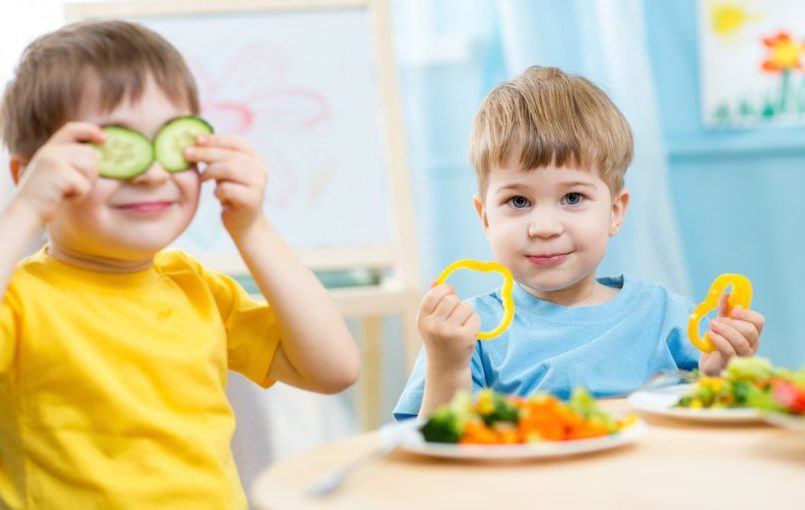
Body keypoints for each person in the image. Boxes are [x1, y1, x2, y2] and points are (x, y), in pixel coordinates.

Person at [0, 20, 360, 508]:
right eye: (112, 149)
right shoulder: (20, 300)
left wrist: (252, 229)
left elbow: (333, 369)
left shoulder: (195, 288)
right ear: (30, 173)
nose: (151, 173)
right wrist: (23, 210)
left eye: (169, 144)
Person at [394, 66, 764, 420]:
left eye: (572, 198)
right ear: (486, 218)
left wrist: (723, 375)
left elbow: (715, 432)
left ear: (615, 212)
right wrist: (447, 364)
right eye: (518, 202)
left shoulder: (668, 317)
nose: (544, 227)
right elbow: (433, 454)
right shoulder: (466, 335)